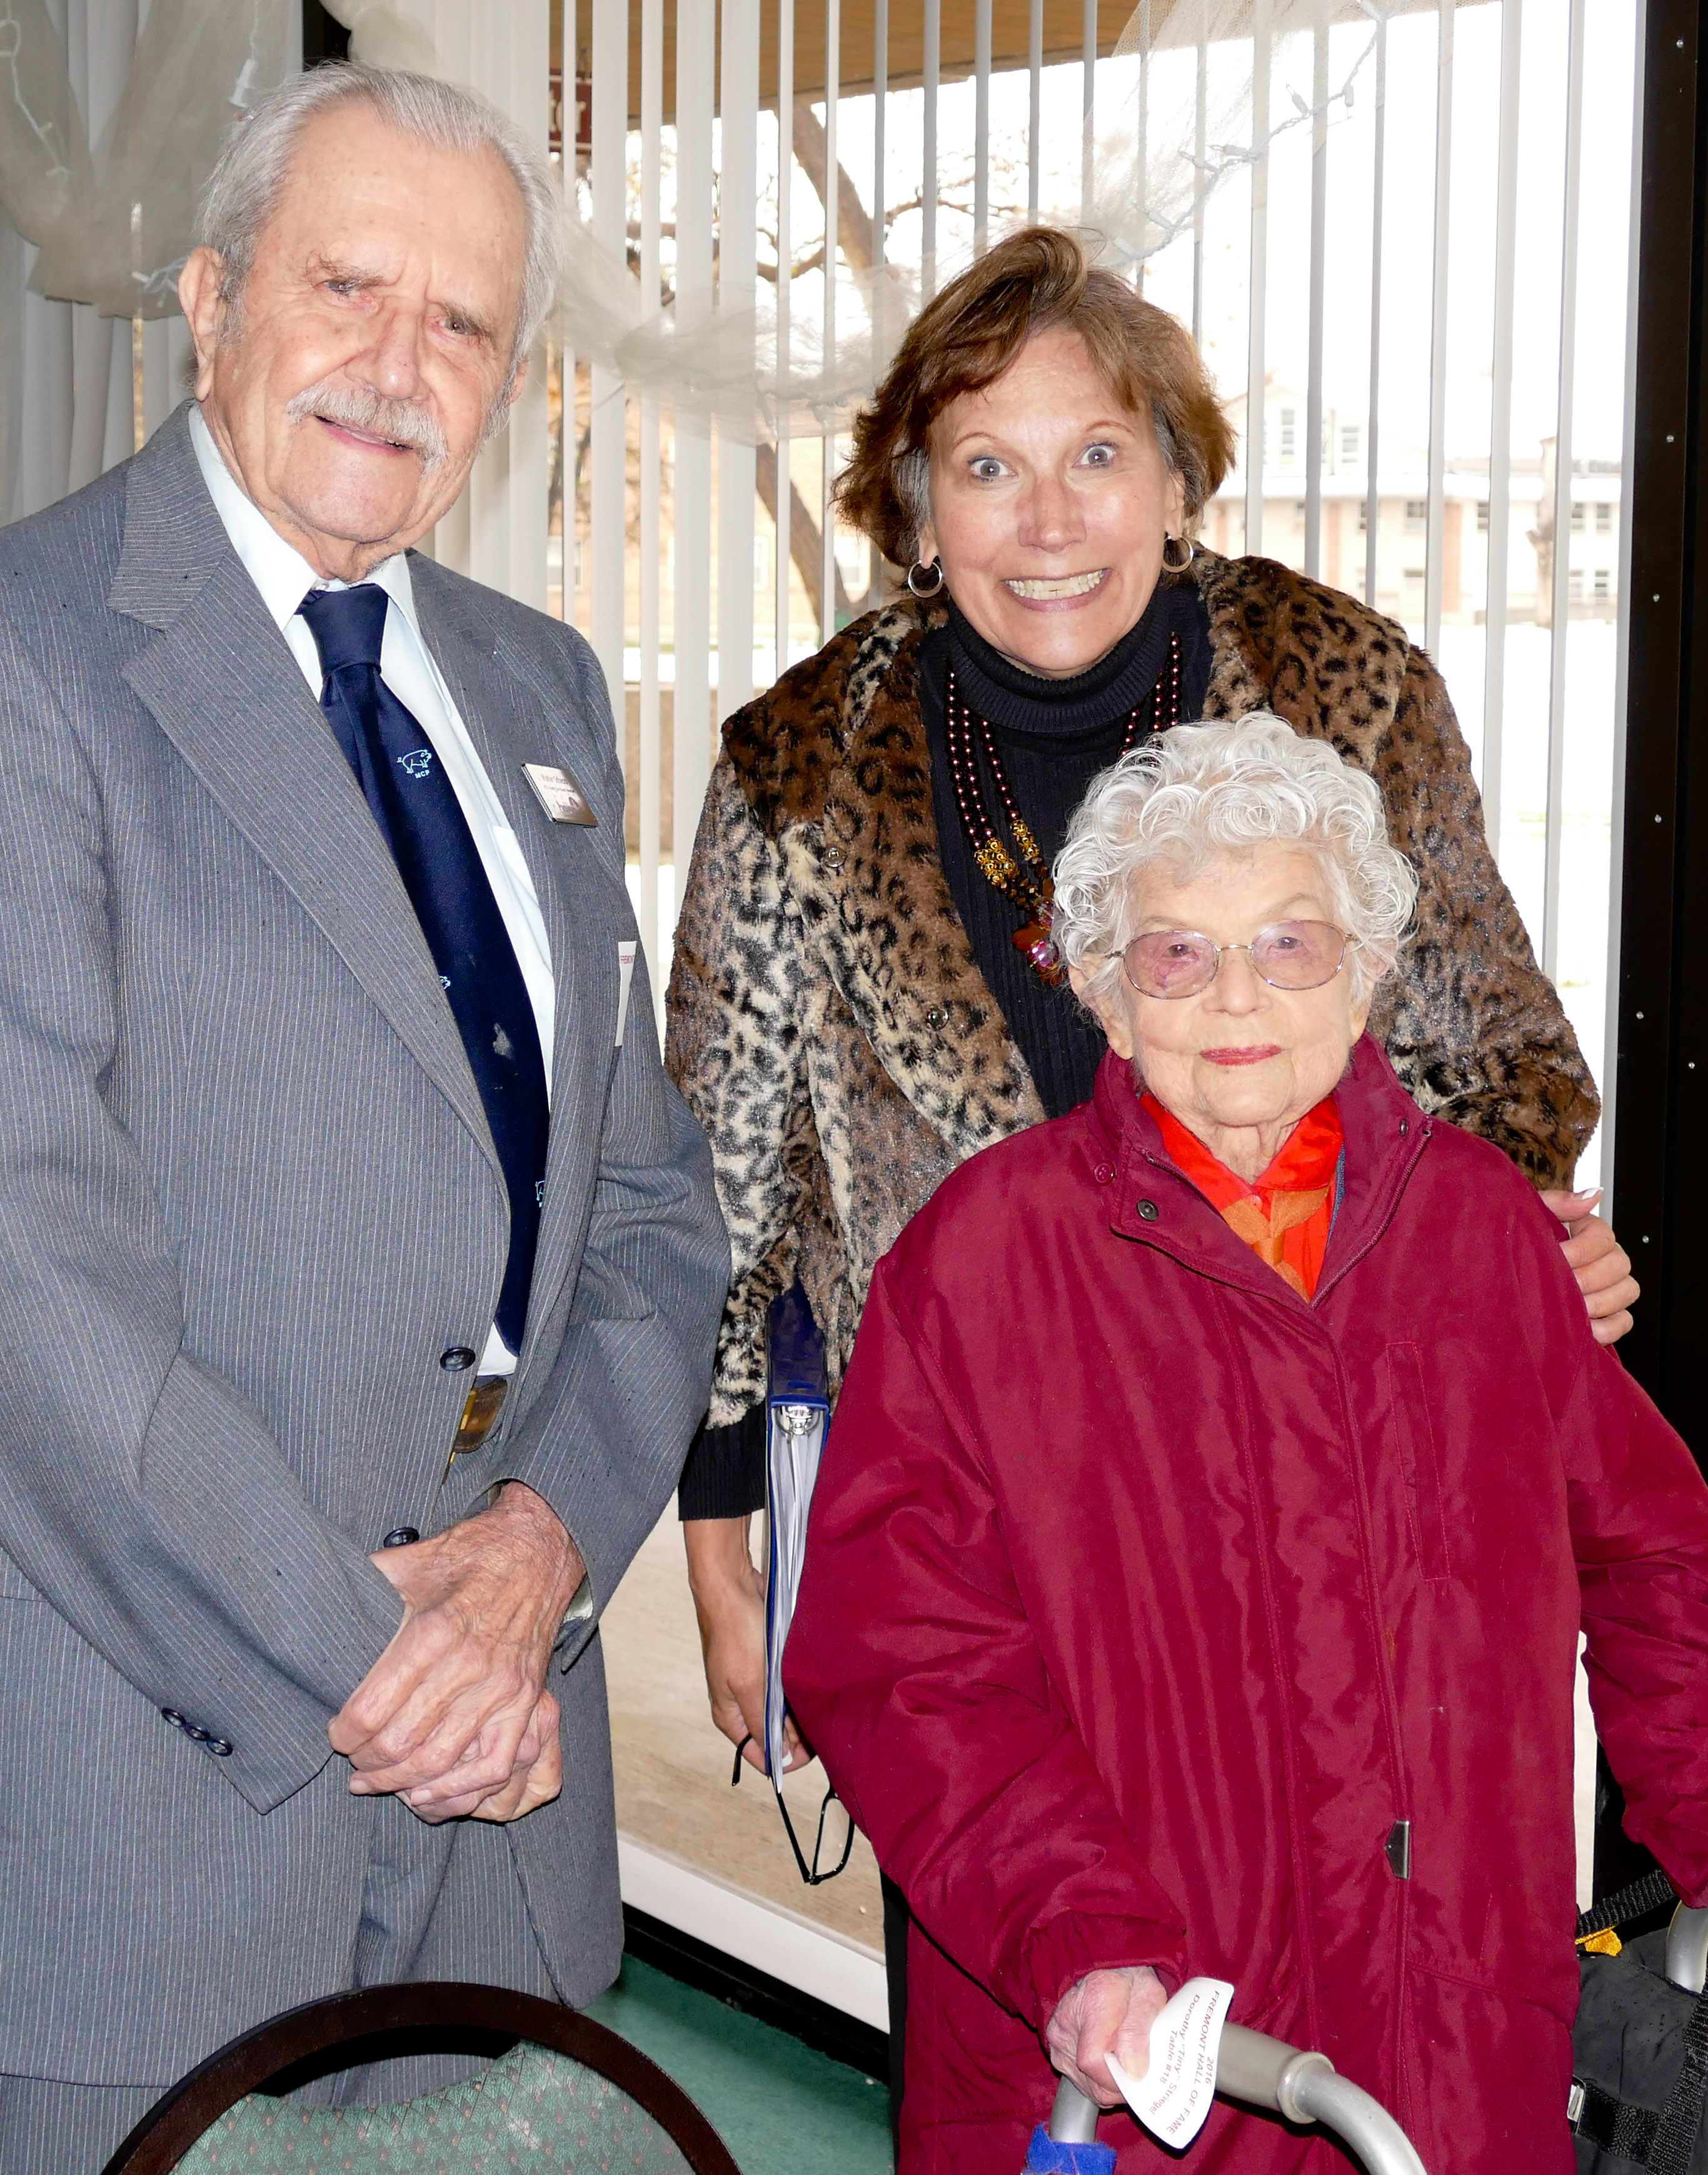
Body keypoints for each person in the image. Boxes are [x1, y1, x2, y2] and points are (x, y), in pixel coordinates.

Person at [0, 63, 726, 2175]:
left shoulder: (537, 684)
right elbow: (13, 1272)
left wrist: (531, 1561)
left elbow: (645, 1215)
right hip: (127, 1757)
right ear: (211, 298)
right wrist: (387, 1662)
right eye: (345, 284)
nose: (396, 363)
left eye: (463, 322)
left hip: (489, 1751)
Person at [662, 225, 1639, 2094]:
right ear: (911, 503)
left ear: (1180, 479)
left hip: (1336, 1497)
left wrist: (1508, 1235)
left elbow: (1497, 1051)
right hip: (975, 1529)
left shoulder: (1344, 688)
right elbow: (727, 1169)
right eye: (988, 463)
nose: (1050, 518)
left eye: (1100, 452)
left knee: (1359, 2006)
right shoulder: (800, 754)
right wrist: (727, 1523)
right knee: (1025, 1992)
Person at [780, 715, 1708, 2172]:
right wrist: (1078, 1937)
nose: (1234, 994)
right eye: (1175, 952)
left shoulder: (1483, 1232)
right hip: (1149, 2042)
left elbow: (1651, 1561)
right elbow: (900, 1656)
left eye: (1290, 943)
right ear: (1109, 1000)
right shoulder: (980, 1260)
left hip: (1448, 2034)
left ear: (1368, 969)